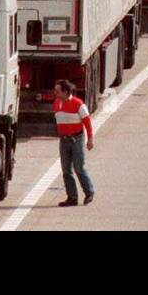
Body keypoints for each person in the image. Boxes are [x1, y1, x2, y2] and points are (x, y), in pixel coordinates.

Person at [53, 79, 96, 207]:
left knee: (79, 168)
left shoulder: (78, 104)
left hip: (77, 139)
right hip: (64, 140)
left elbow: (87, 123)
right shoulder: (57, 103)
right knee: (66, 170)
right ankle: (72, 197)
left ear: (66, 92)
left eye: (58, 91)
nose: (55, 93)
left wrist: (90, 139)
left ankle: (89, 192)